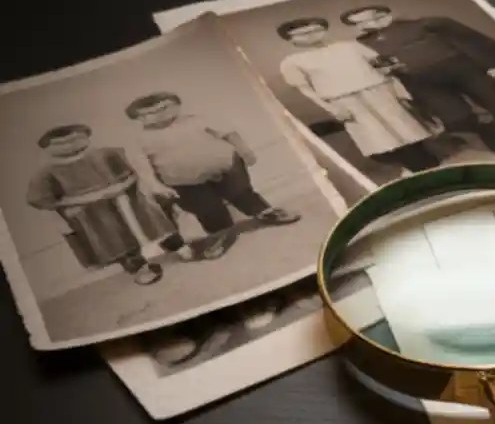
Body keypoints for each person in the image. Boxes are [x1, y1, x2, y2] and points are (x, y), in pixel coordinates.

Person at [125, 91, 300, 260]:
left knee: (241, 193)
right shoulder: (139, 141)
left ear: (177, 105)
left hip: (226, 167)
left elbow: (229, 133)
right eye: (150, 113)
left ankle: (265, 212)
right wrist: (156, 186)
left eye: (164, 108)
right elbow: (143, 167)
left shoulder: (197, 120)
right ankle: (220, 233)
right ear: (138, 118)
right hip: (183, 182)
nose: (160, 114)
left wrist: (245, 151)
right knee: (207, 209)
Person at [340, 5, 495, 155]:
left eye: (373, 17)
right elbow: (370, 68)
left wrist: (492, 64)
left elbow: (475, 40)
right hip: (422, 84)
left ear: (387, 14)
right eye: (359, 22)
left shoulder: (429, 23)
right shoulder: (360, 45)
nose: (368, 24)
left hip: (464, 70)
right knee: (457, 118)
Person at [276, 17, 441, 174]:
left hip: (379, 90)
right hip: (345, 100)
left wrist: (396, 87)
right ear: (290, 39)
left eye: (315, 30)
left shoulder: (349, 46)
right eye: (303, 34)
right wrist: (332, 109)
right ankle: (412, 166)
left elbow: (380, 64)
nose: (311, 35)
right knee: (377, 138)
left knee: (405, 128)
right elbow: (305, 89)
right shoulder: (292, 61)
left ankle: (428, 163)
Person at [26, 124, 186, 285]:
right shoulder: (46, 173)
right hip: (91, 213)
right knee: (115, 240)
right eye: (61, 143)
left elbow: (132, 173)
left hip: (128, 197)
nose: (70, 145)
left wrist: (121, 188)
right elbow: (40, 199)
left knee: (154, 224)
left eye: (75, 139)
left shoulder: (109, 153)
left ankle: (178, 246)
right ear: (48, 147)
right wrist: (85, 199)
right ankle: (139, 267)